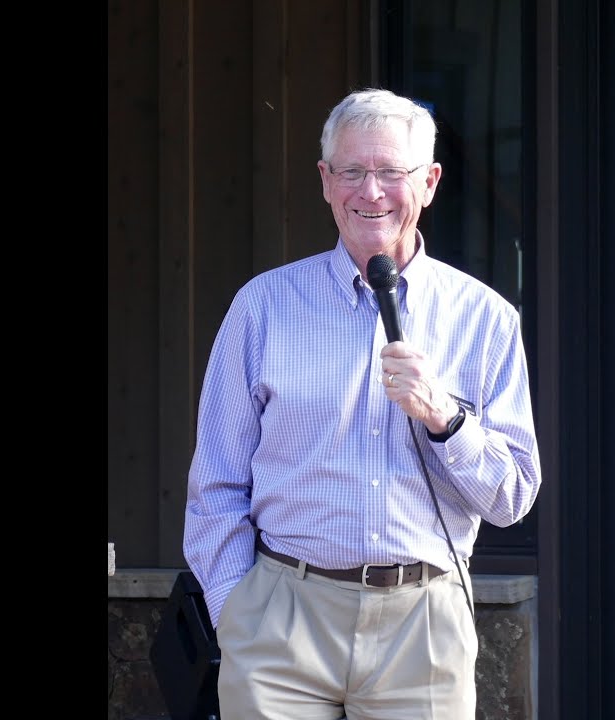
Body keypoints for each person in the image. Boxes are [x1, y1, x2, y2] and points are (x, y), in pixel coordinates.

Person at [183, 88, 542, 719]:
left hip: (422, 623)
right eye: (351, 171)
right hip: (281, 617)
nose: (369, 192)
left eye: (390, 172)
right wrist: (237, 612)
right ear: (325, 181)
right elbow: (215, 483)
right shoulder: (262, 308)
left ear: (428, 182)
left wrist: (444, 418)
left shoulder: (486, 319)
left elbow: (512, 498)